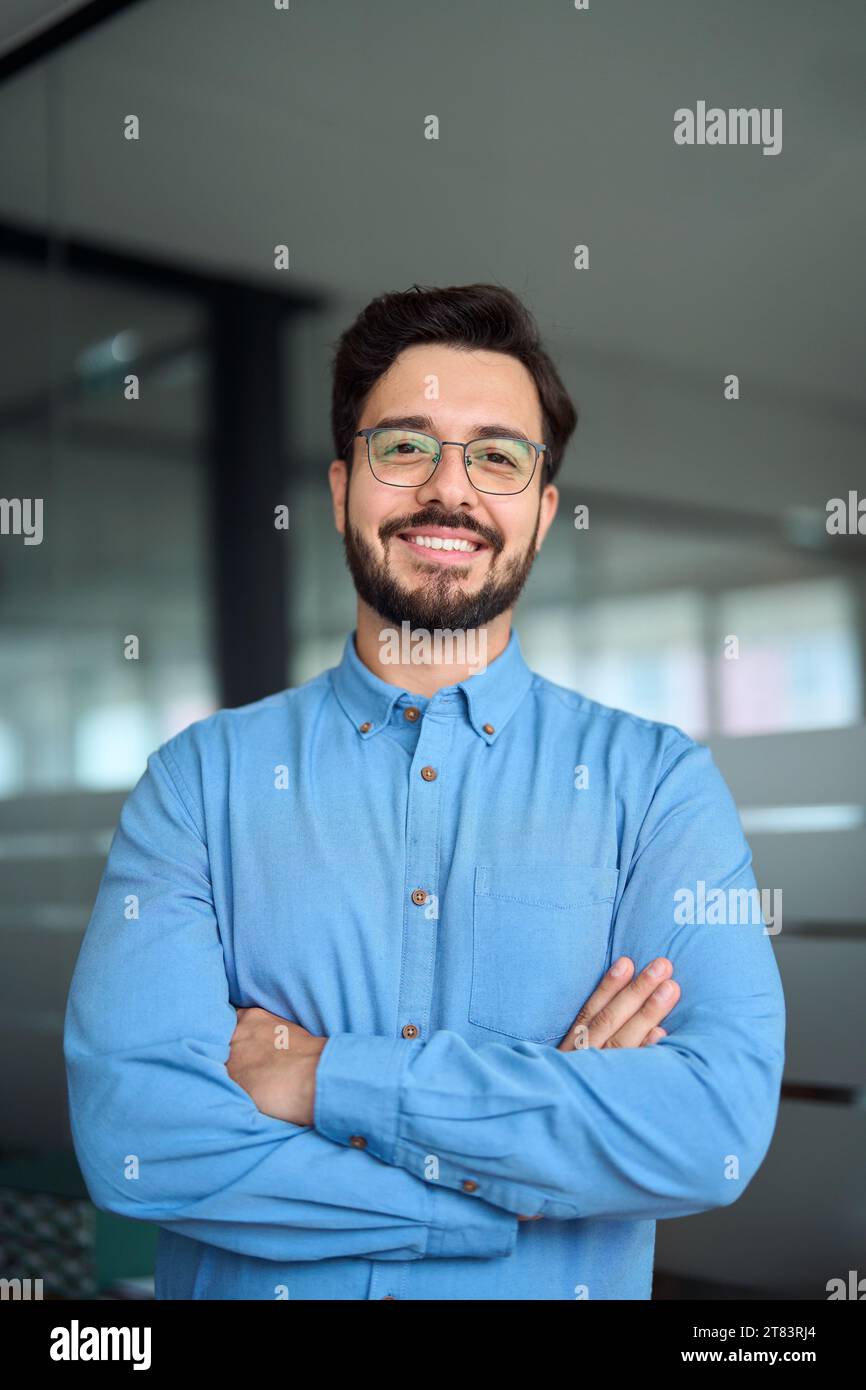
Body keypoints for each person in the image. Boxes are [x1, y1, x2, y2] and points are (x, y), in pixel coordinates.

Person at [64, 283, 785, 1300]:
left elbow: (707, 1130)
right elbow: (137, 1135)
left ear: (540, 512)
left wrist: (319, 1077)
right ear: (339, 485)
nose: (449, 490)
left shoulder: (656, 785)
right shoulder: (199, 783)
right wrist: (511, 1174)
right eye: (404, 446)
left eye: (496, 455)